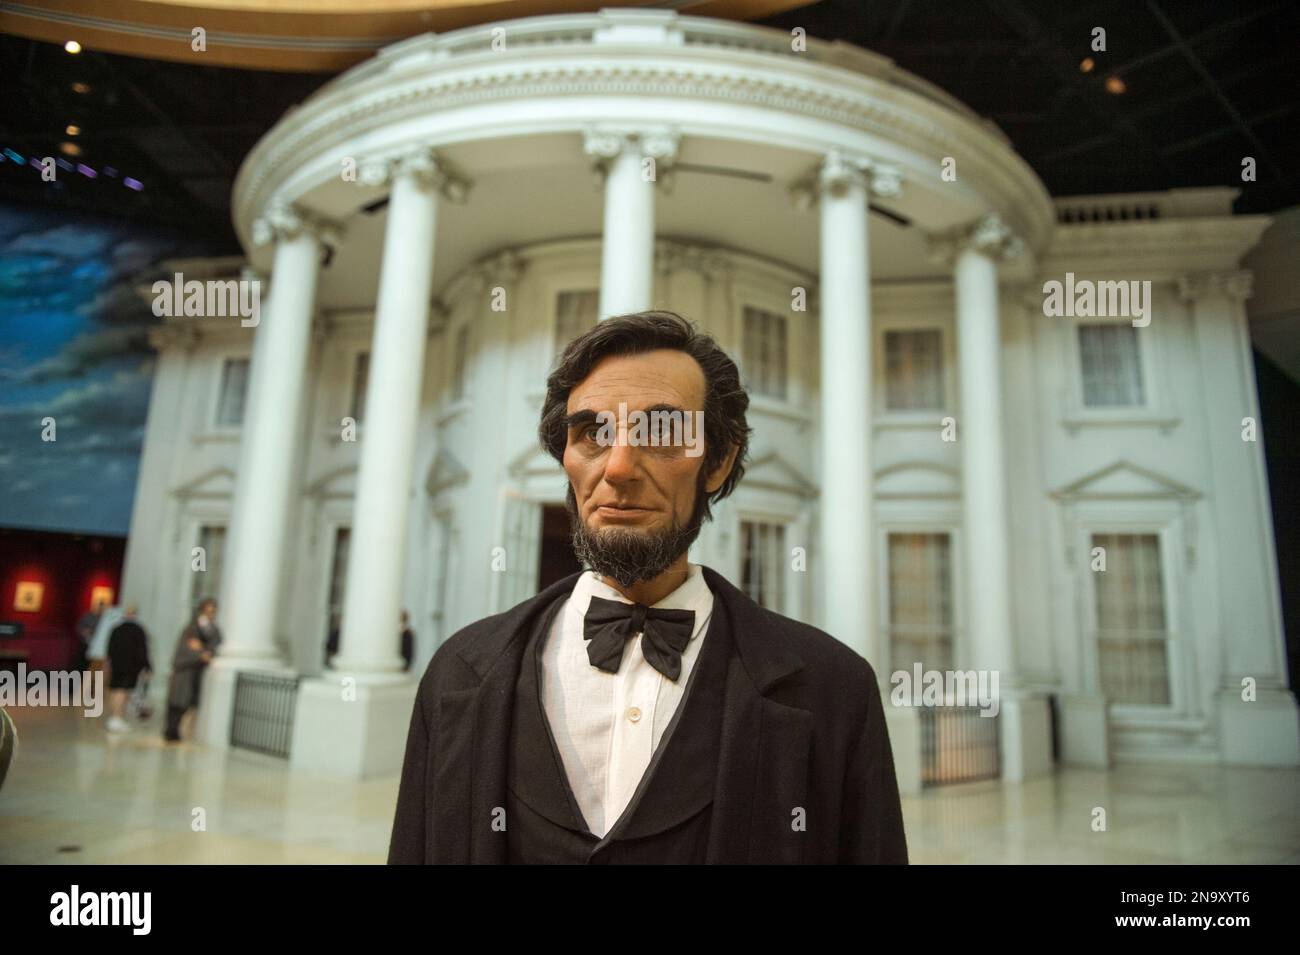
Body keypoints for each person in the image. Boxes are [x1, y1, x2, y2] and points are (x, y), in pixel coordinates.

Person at [388, 310, 908, 864]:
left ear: (717, 460)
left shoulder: (836, 690)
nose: (618, 468)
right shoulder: (457, 674)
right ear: (565, 456)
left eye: (661, 433)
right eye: (593, 433)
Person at [163, 598, 221, 743]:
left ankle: (186, 731)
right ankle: (173, 730)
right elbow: (188, 647)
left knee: (192, 703)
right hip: (185, 671)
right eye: (208, 611)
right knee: (178, 702)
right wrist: (201, 653)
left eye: (213, 611)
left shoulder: (214, 630)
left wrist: (204, 652)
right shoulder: (191, 628)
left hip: (198, 672)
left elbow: (212, 645)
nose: (211, 614)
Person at [105, 604, 151, 734]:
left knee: (115, 690)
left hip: (116, 665)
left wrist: (109, 664)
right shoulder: (138, 630)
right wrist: (147, 666)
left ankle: (114, 717)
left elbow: (109, 649)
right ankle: (117, 718)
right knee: (123, 692)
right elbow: (143, 650)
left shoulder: (116, 629)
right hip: (130, 666)